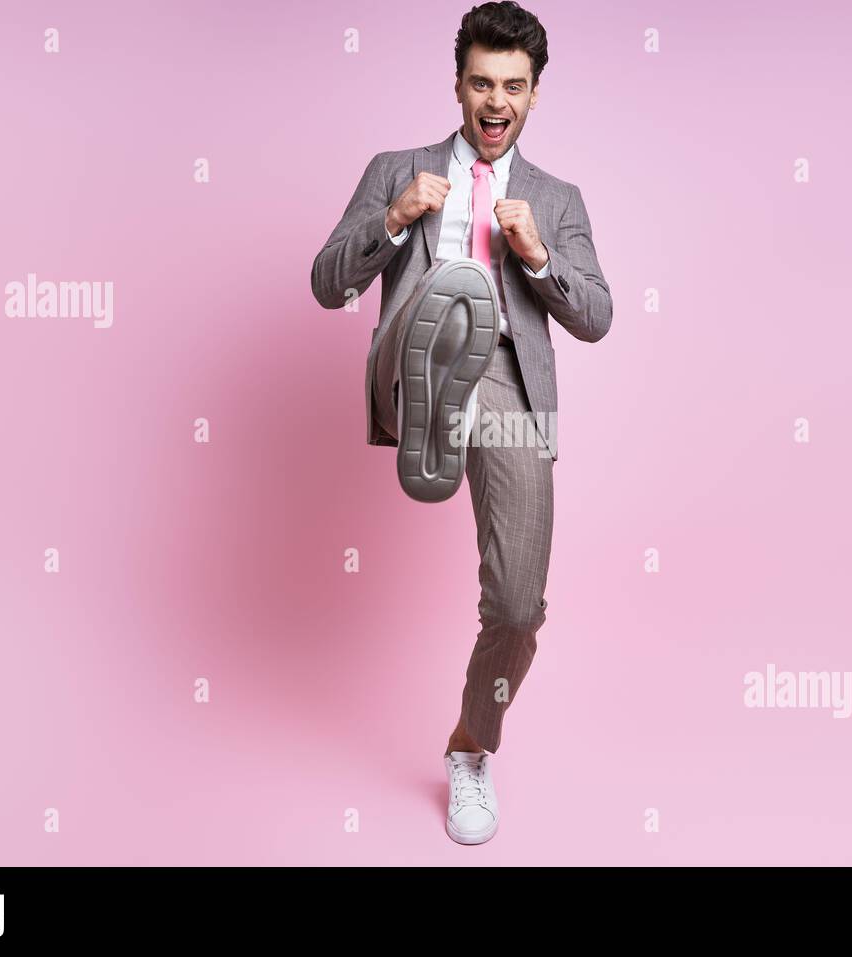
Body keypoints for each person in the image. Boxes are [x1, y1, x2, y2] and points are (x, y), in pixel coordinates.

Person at [310, 1, 612, 844]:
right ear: (457, 84)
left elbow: (597, 316)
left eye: (513, 85)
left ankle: (471, 746)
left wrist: (540, 259)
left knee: (518, 604)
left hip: (510, 390)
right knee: (439, 299)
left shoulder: (557, 198)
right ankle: (433, 360)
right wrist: (393, 219)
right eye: (481, 81)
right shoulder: (396, 168)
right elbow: (326, 282)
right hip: (418, 360)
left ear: (535, 95)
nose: (495, 99)